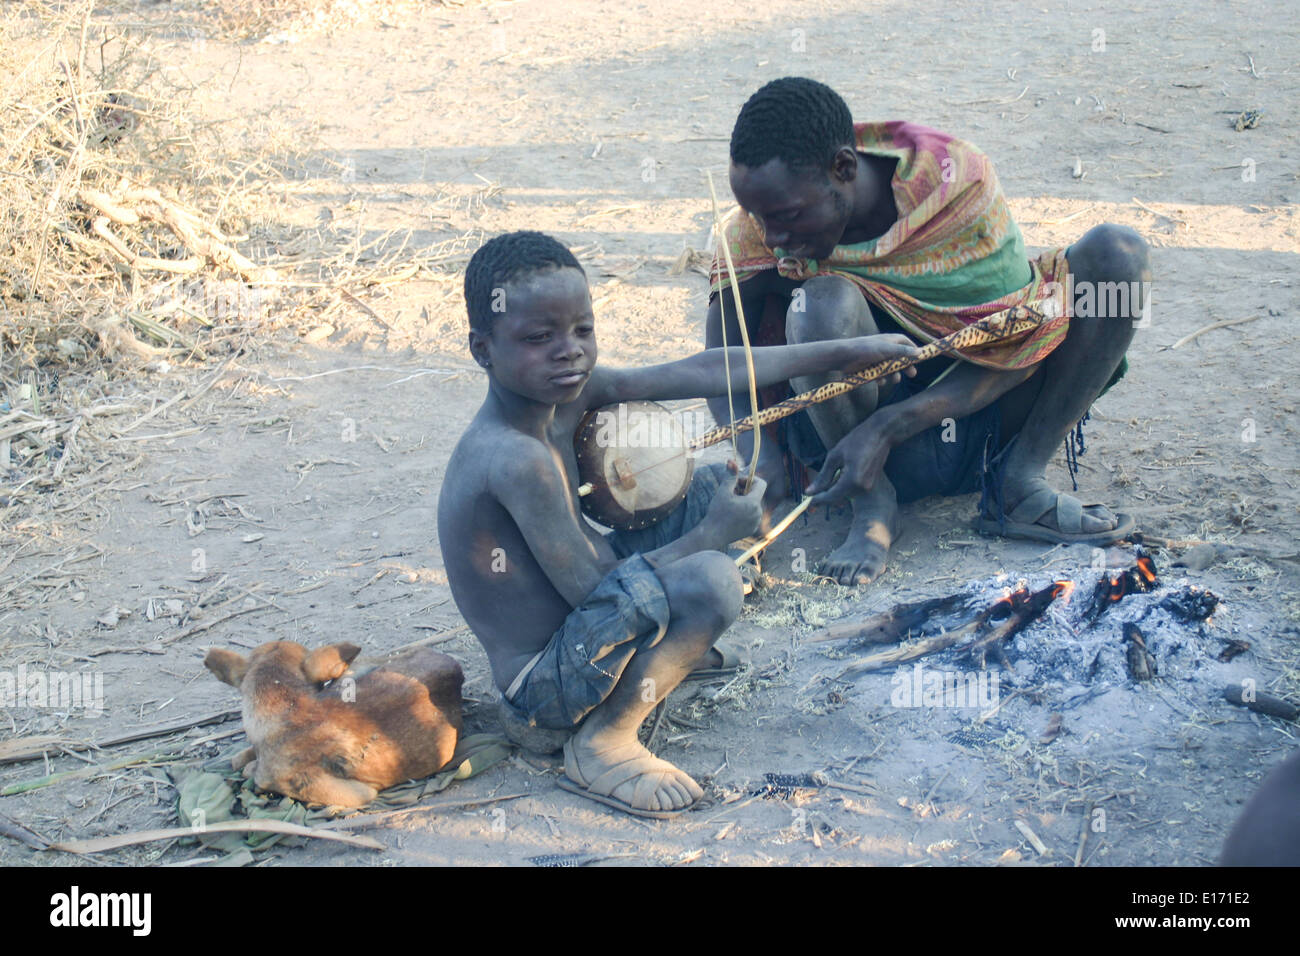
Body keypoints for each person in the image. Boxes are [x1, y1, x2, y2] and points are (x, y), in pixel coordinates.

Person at [438, 230, 918, 817]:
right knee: (714, 578)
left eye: (582, 330)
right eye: (539, 338)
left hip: (587, 633)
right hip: (542, 690)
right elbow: (597, 592)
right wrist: (713, 534)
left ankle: (655, 663)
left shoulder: (568, 396)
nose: (570, 352)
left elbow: (702, 369)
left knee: (714, 484)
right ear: (481, 349)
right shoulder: (515, 457)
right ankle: (603, 740)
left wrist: (846, 352)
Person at [705, 77, 1151, 586]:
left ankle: (1019, 483)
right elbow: (720, 357)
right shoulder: (757, 227)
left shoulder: (953, 184)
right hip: (845, 451)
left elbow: (1019, 343)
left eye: (785, 216)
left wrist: (889, 426)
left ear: (844, 169)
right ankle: (872, 504)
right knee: (818, 301)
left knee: (1118, 258)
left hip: (982, 422)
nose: (772, 238)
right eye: (756, 217)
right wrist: (759, 459)